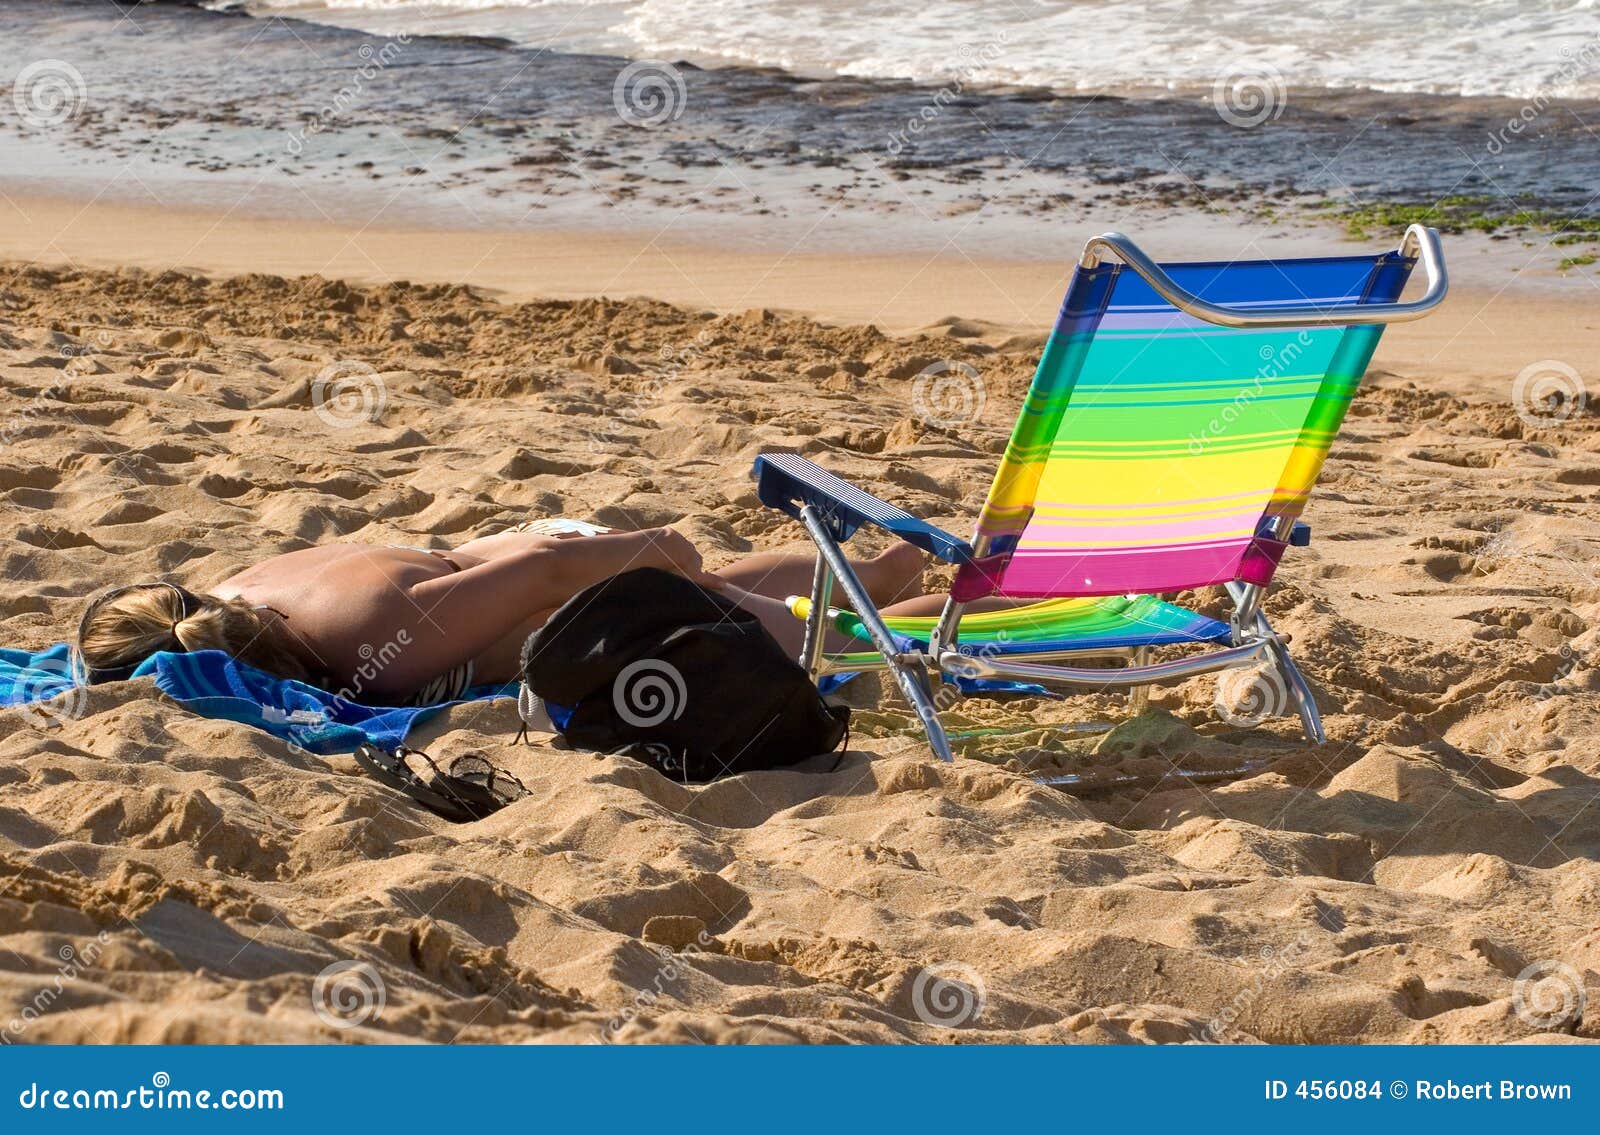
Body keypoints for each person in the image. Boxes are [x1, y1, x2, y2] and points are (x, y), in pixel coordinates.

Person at [73, 519, 933, 706]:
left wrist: (660, 549)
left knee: (832, 647)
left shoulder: (369, 642)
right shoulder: (237, 585)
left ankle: (950, 596)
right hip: (521, 563)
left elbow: (549, 571)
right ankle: (893, 570)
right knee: (742, 595)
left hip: (570, 581)